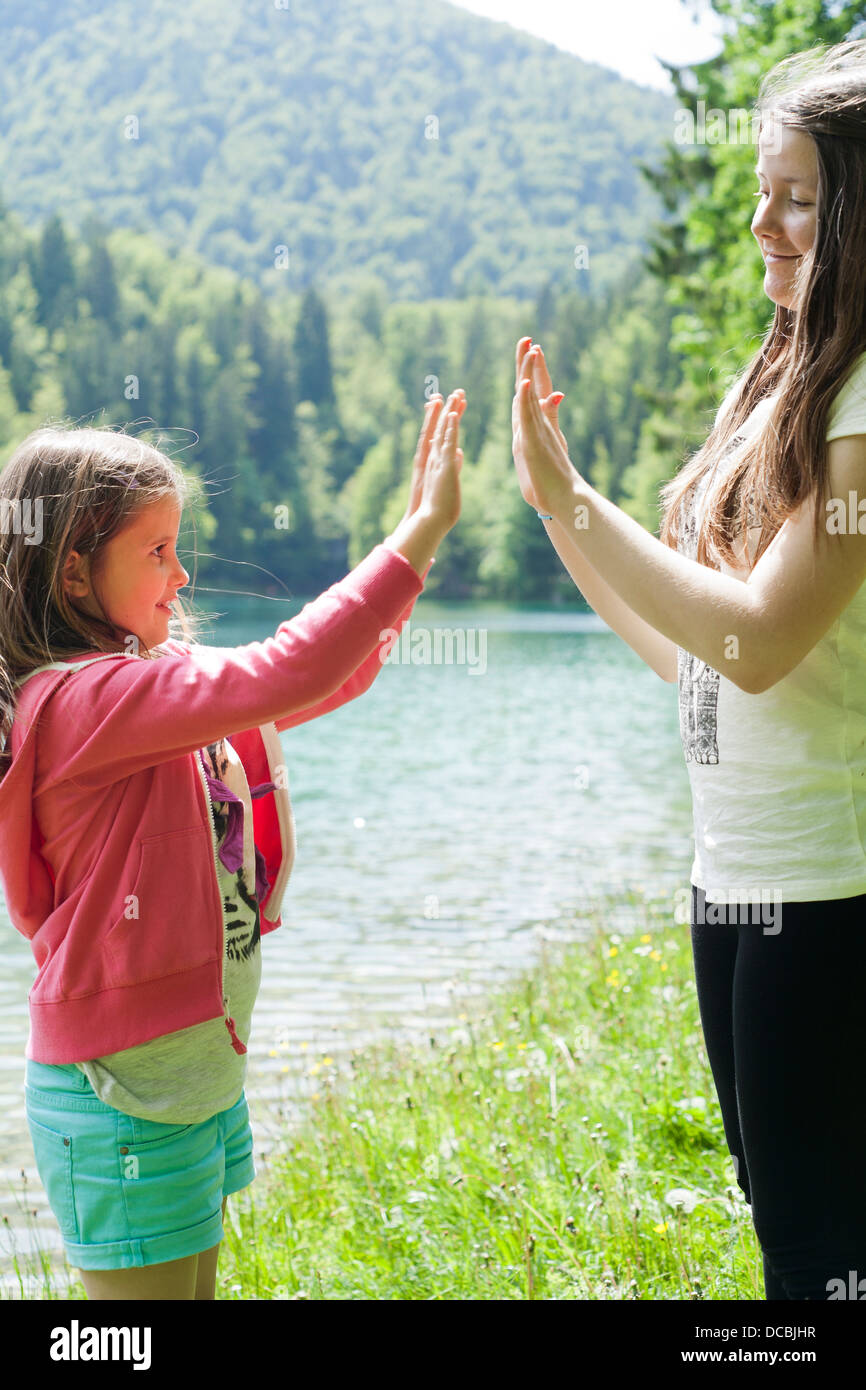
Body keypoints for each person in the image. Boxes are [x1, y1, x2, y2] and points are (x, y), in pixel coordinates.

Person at [510, 41, 866, 1301]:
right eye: (760, 191)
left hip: (829, 899)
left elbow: (761, 639)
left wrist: (579, 498)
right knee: (788, 1224)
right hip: (733, 880)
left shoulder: (861, 406)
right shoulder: (784, 374)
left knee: (824, 1259)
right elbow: (700, 662)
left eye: (800, 199)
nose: (761, 223)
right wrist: (557, 516)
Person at [0, 390, 464, 1299]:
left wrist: (419, 547)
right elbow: (291, 664)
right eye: (158, 551)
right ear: (75, 578)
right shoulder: (81, 705)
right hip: (124, 1103)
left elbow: (318, 681)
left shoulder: (144, 683)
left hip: (192, 1085)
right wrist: (412, 537)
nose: (181, 577)